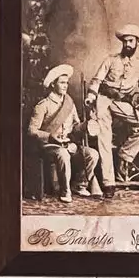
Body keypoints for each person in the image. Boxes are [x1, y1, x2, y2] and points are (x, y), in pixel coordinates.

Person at [87, 24, 139, 193]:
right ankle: (109, 183)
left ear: (137, 42)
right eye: (124, 41)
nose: (127, 45)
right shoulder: (110, 60)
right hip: (104, 100)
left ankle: (125, 155)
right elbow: (97, 80)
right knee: (104, 138)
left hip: (122, 103)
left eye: (130, 41)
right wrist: (91, 96)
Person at [26, 64, 100, 202]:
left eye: (66, 83)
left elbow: (76, 126)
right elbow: (31, 130)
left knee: (92, 154)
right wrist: (49, 136)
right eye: (61, 83)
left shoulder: (69, 103)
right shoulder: (43, 105)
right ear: (53, 84)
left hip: (67, 143)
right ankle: (65, 191)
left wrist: (87, 124)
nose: (65, 86)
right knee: (63, 154)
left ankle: (80, 185)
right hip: (48, 146)